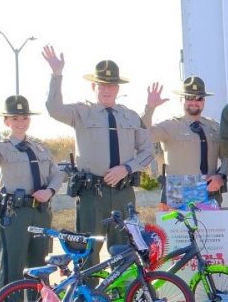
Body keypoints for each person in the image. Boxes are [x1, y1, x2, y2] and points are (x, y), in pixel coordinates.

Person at [43, 46, 154, 265]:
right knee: (87, 255)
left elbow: (148, 152)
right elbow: (53, 109)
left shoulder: (131, 116)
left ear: (117, 88)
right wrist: (56, 74)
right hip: (92, 195)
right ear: (94, 86)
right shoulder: (81, 113)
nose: (107, 89)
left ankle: (122, 289)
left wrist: (127, 168)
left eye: (111, 85)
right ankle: (89, 289)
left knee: (125, 253)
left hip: (123, 194)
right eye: (102, 84)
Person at [0, 95, 63, 292]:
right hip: (15, 214)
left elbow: (57, 174)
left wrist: (49, 191)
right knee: (13, 267)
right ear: (7, 121)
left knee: (40, 266)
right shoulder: (1, 148)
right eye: (15, 118)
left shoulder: (40, 148)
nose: (20, 122)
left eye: (24, 117)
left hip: (40, 212)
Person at [143, 77, 228, 204]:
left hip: (210, 194)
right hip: (179, 195)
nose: (194, 102)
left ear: (204, 101)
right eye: (189, 97)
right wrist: (150, 108)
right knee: (179, 219)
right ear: (181, 99)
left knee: (211, 219)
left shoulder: (215, 128)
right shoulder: (170, 126)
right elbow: (144, 135)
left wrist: (221, 176)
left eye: (199, 98)